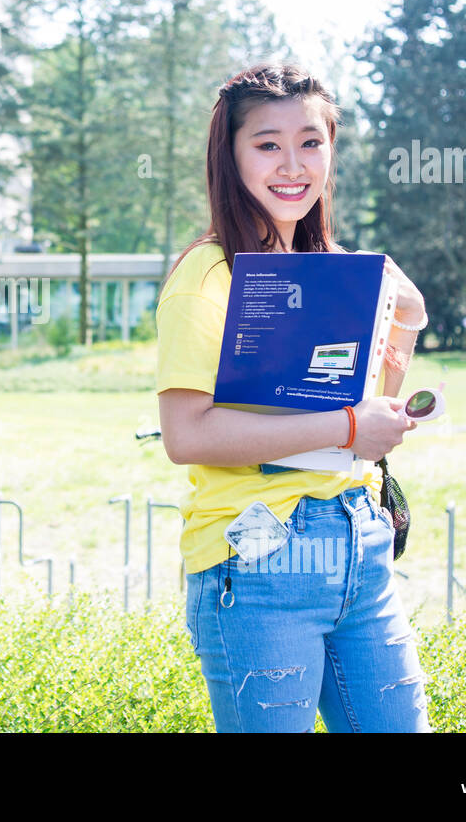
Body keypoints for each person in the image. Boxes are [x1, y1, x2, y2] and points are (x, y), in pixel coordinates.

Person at [156, 62, 432, 732]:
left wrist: (405, 322)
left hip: (358, 542)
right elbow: (185, 433)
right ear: (232, 153)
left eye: (310, 141)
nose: (292, 163)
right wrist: (343, 426)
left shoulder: (334, 271)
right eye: (267, 143)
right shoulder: (208, 273)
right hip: (257, 564)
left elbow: (367, 417)